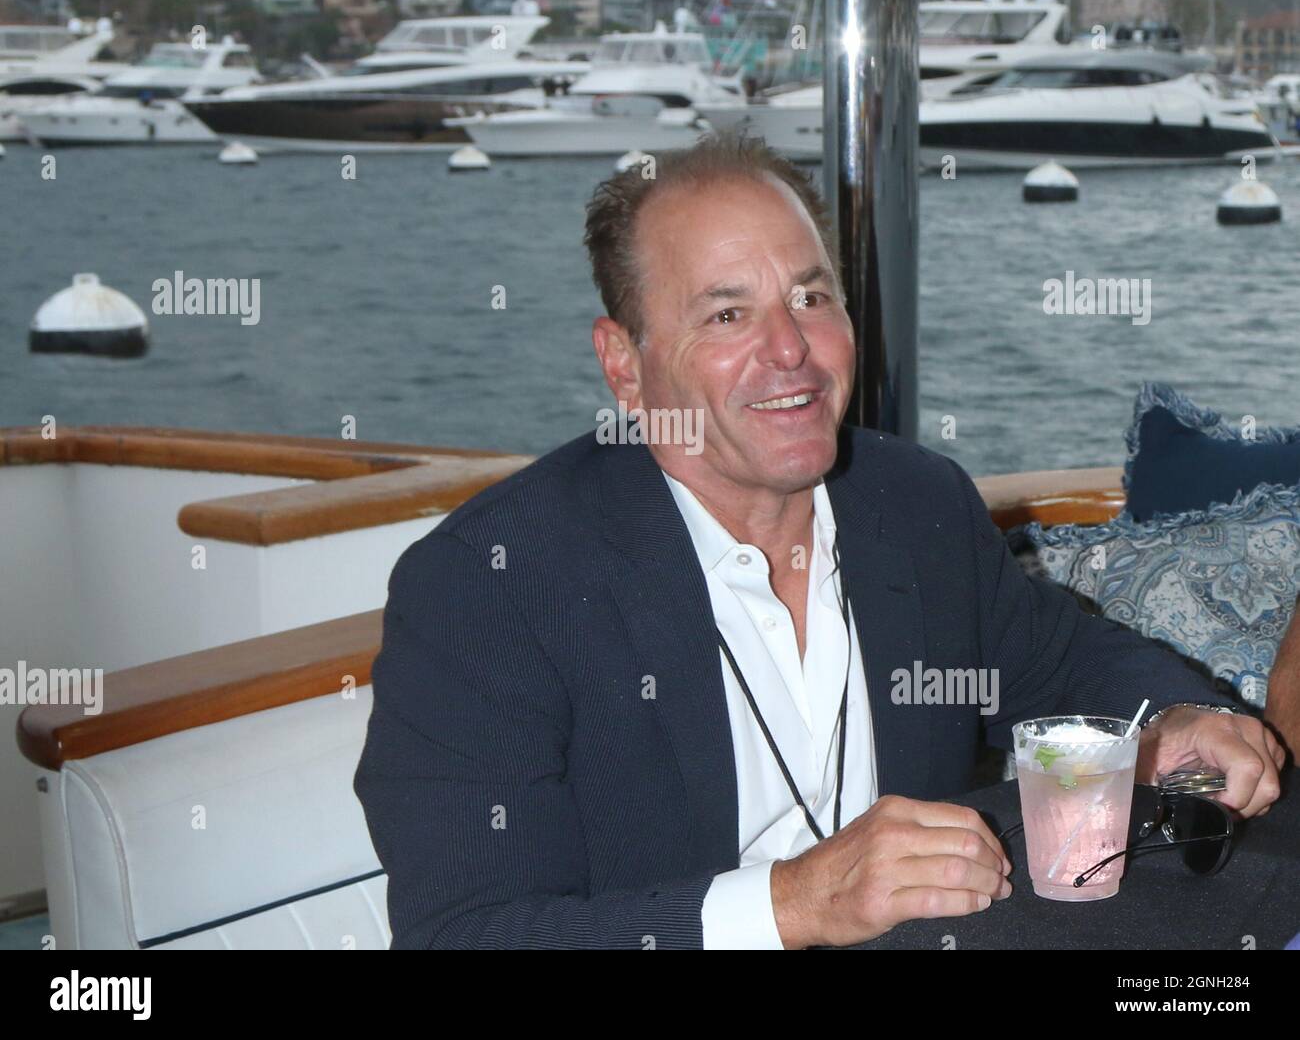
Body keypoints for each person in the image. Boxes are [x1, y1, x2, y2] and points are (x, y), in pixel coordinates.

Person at [354, 132, 1285, 950]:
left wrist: (1169, 721)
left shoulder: (912, 502)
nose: (790, 350)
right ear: (623, 365)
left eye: (810, 297)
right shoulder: (490, 585)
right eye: (726, 314)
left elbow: (1062, 662)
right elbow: (464, 934)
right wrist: (794, 903)